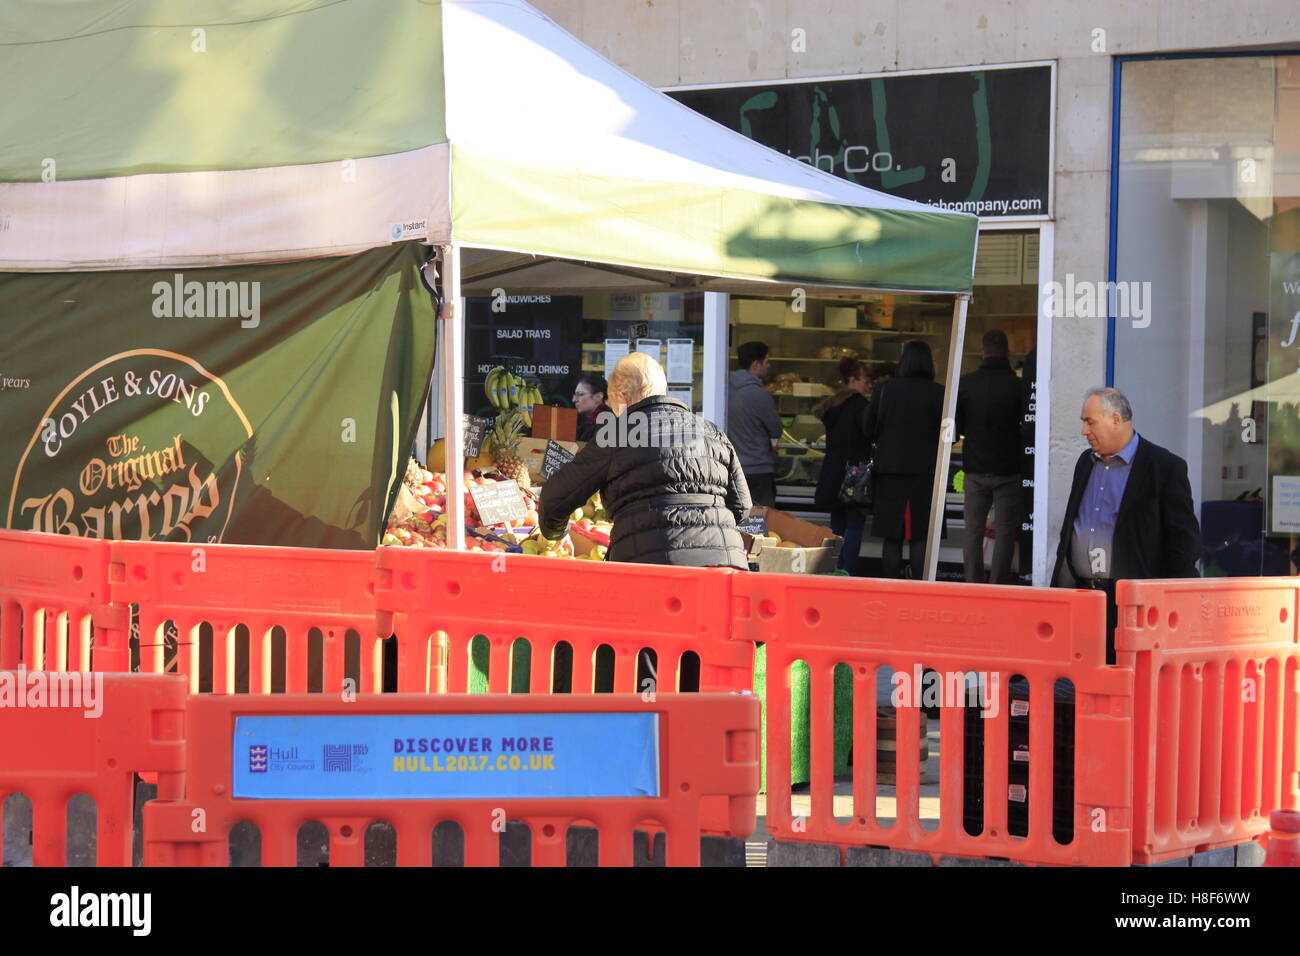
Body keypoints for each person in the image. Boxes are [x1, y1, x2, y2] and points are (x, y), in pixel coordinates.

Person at [539, 352, 751, 568]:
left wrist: (556, 535)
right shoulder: (711, 432)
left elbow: (554, 499)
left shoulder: (617, 434)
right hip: (724, 565)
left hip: (651, 567)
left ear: (622, 397)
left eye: (613, 404)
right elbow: (742, 507)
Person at [1053, 386, 1201, 661]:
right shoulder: (1085, 462)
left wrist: (1178, 606)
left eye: (1090, 421)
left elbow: (1183, 541)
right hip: (1083, 597)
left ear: (1116, 419)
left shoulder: (1164, 466)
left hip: (1133, 605)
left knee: (1129, 682)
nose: (1084, 431)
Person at [864, 340, 945, 579]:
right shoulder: (940, 392)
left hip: (890, 470)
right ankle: (922, 588)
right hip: (926, 472)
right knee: (920, 536)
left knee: (892, 536)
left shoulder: (885, 389)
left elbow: (868, 427)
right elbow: (950, 435)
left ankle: (891, 587)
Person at [955, 329, 1025, 584]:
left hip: (975, 468)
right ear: (1007, 353)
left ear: (983, 352)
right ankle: (998, 584)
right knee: (1006, 531)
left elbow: (957, 428)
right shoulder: (1018, 386)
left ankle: (972, 583)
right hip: (1008, 468)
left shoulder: (966, 383)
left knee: (972, 530)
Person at [812, 357, 872, 574]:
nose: (868, 385)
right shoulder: (861, 406)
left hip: (833, 472)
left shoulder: (832, 406)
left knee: (836, 527)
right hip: (855, 475)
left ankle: (834, 569)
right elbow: (869, 435)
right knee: (855, 525)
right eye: (865, 380)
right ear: (853, 380)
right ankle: (849, 572)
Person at [727, 340, 782, 507]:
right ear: (755, 365)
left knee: (735, 518)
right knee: (759, 522)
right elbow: (776, 430)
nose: (769, 365)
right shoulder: (760, 395)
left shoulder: (723, 390)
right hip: (758, 469)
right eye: (767, 361)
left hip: (732, 467)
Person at [572, 372, 612, 443]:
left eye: (580, 394)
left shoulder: (608, 425)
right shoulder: (581, 421)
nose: (574, 400)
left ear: (598, 397)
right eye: (575, 395)